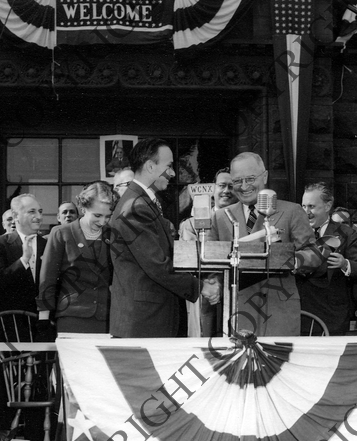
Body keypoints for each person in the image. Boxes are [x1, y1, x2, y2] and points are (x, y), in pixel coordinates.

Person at [206, 152, 322, 336]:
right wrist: (215, 283)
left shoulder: (291, 211)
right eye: (237, 181)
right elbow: (211, 262)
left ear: (265, 176)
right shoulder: (221, 217)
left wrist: (292, 260)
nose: (244, 186)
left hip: (279, 312)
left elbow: (313, 253)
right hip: (238, 313)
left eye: (250, 179)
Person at [108, 138, 206, 338]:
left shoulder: (142, 202)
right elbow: (157, 265)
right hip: (145, 323)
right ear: (150, 167)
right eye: (169, 166)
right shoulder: (136, 206)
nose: (173, 173)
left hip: (149, 320)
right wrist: (201, 287)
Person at [39, 182, 117, 334]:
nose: (102, 222)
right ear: (83, 209)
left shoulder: (113, 234)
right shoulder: (61, 233)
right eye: (97, 215)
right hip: (72, 317)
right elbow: (47, 278)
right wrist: (44, 318)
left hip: (106, 318)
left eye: (107, 216)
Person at [297, 182, 357, 335]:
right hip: (299, 314)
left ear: (328, 205)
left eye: (311, 207)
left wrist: (344, 264)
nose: (306, 212)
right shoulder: (295, 231)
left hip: (332, 316)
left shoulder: (346, 233)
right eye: (303, 206)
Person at [178, 169, 236, 337]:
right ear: (213, 189)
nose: (226, 190)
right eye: (222, 185)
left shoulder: (243, 222)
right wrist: (210, 285)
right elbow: (187, 261)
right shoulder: (191, 225)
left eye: (231, 186)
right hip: (205, 296)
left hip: (238, 296)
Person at [0, 193, 46, 316]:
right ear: (15, 215)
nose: (39, 216)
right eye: (32, 212)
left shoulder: (48, 244)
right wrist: (24, 260)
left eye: (40, 211)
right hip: (10, 318)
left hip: (43, 320)